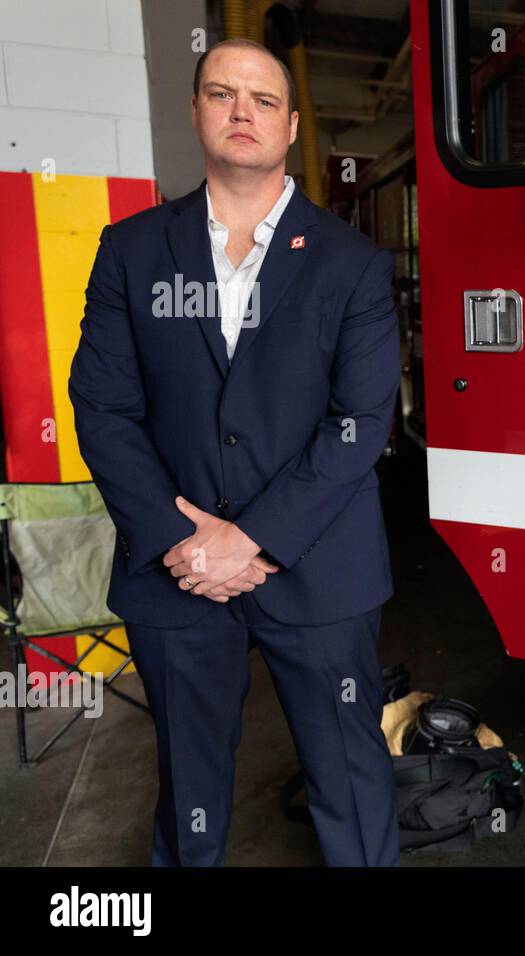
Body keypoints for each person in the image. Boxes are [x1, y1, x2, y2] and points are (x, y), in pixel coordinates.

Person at [68, 38, 401, 866]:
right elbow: (103, 407)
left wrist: (247, 540)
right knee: (189, 789)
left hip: (320, 569)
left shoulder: (352, 265)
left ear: (290, 126)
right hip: (175, 572)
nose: (241, 110)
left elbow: (361, 420)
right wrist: (186, 544)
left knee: (351, 784)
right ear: (196, 113)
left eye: (261, 99)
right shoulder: (132, 251)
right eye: (222, 93)